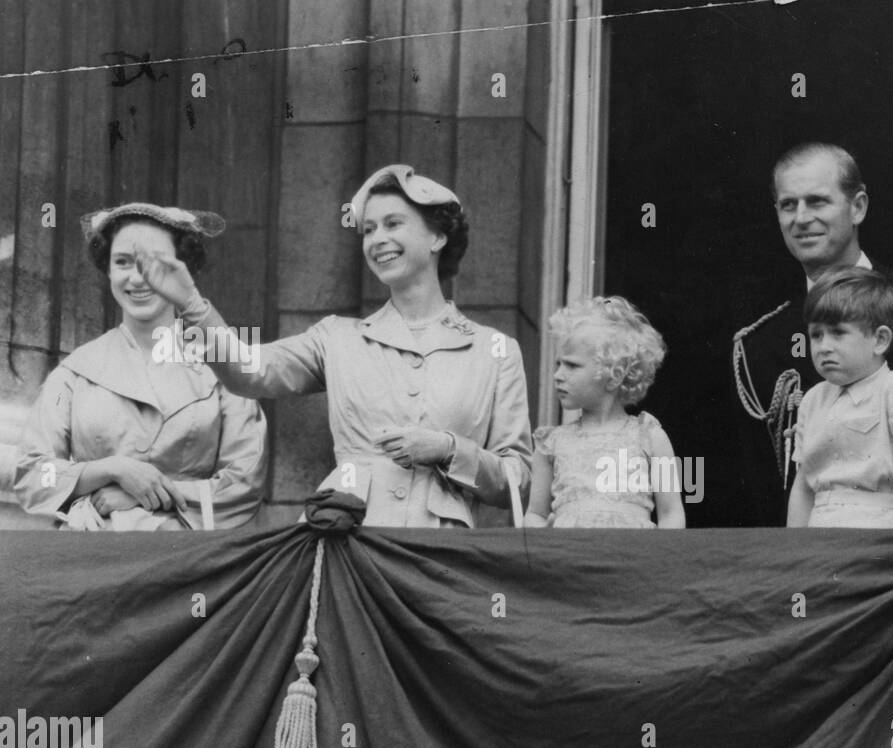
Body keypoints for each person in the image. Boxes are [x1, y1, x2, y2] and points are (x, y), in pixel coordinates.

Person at [128, 164, 531, 528]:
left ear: (438, 236)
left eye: (393, 224)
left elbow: (519, 482)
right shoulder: (337, 337)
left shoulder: (495, 350)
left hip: (443, 555)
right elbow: (250, 371)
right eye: (369, 230)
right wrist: (191, 304)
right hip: (347, 540)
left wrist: (448, 449)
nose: (378, 240)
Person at [731, 142, 893, 527]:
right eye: (788, 205)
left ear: (857, 206)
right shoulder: (760, 344)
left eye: (818, 201)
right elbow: (765, 487)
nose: (801, 218)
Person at [14, 204, 266, 530]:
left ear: (182, 270)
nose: (137, 277)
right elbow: (35, 475)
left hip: (186, 552)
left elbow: (245, 481)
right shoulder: (75, 372)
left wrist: (148, 495)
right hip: (92, 548)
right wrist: (111, 470)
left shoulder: (221, 368)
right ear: (107, 270)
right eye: (122, 262)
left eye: (154, 262)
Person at [787, 268, 893, 528]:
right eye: (816, 335)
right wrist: (793, 555)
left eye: (838, 333)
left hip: (879, 534)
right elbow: (803, 486)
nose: (824, 346)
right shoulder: (813, 400)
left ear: (880, 340)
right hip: (817, 537)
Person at [525, 296, 685, 528]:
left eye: (572, 365)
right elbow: (535, 514)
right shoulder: (550, 444)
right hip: (569, 559)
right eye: (558, 364)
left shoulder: (650, 437)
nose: (558, 375)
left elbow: (671, 515)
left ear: (615, 375)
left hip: (633, 560)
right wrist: (543, 533)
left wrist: (659, 560)